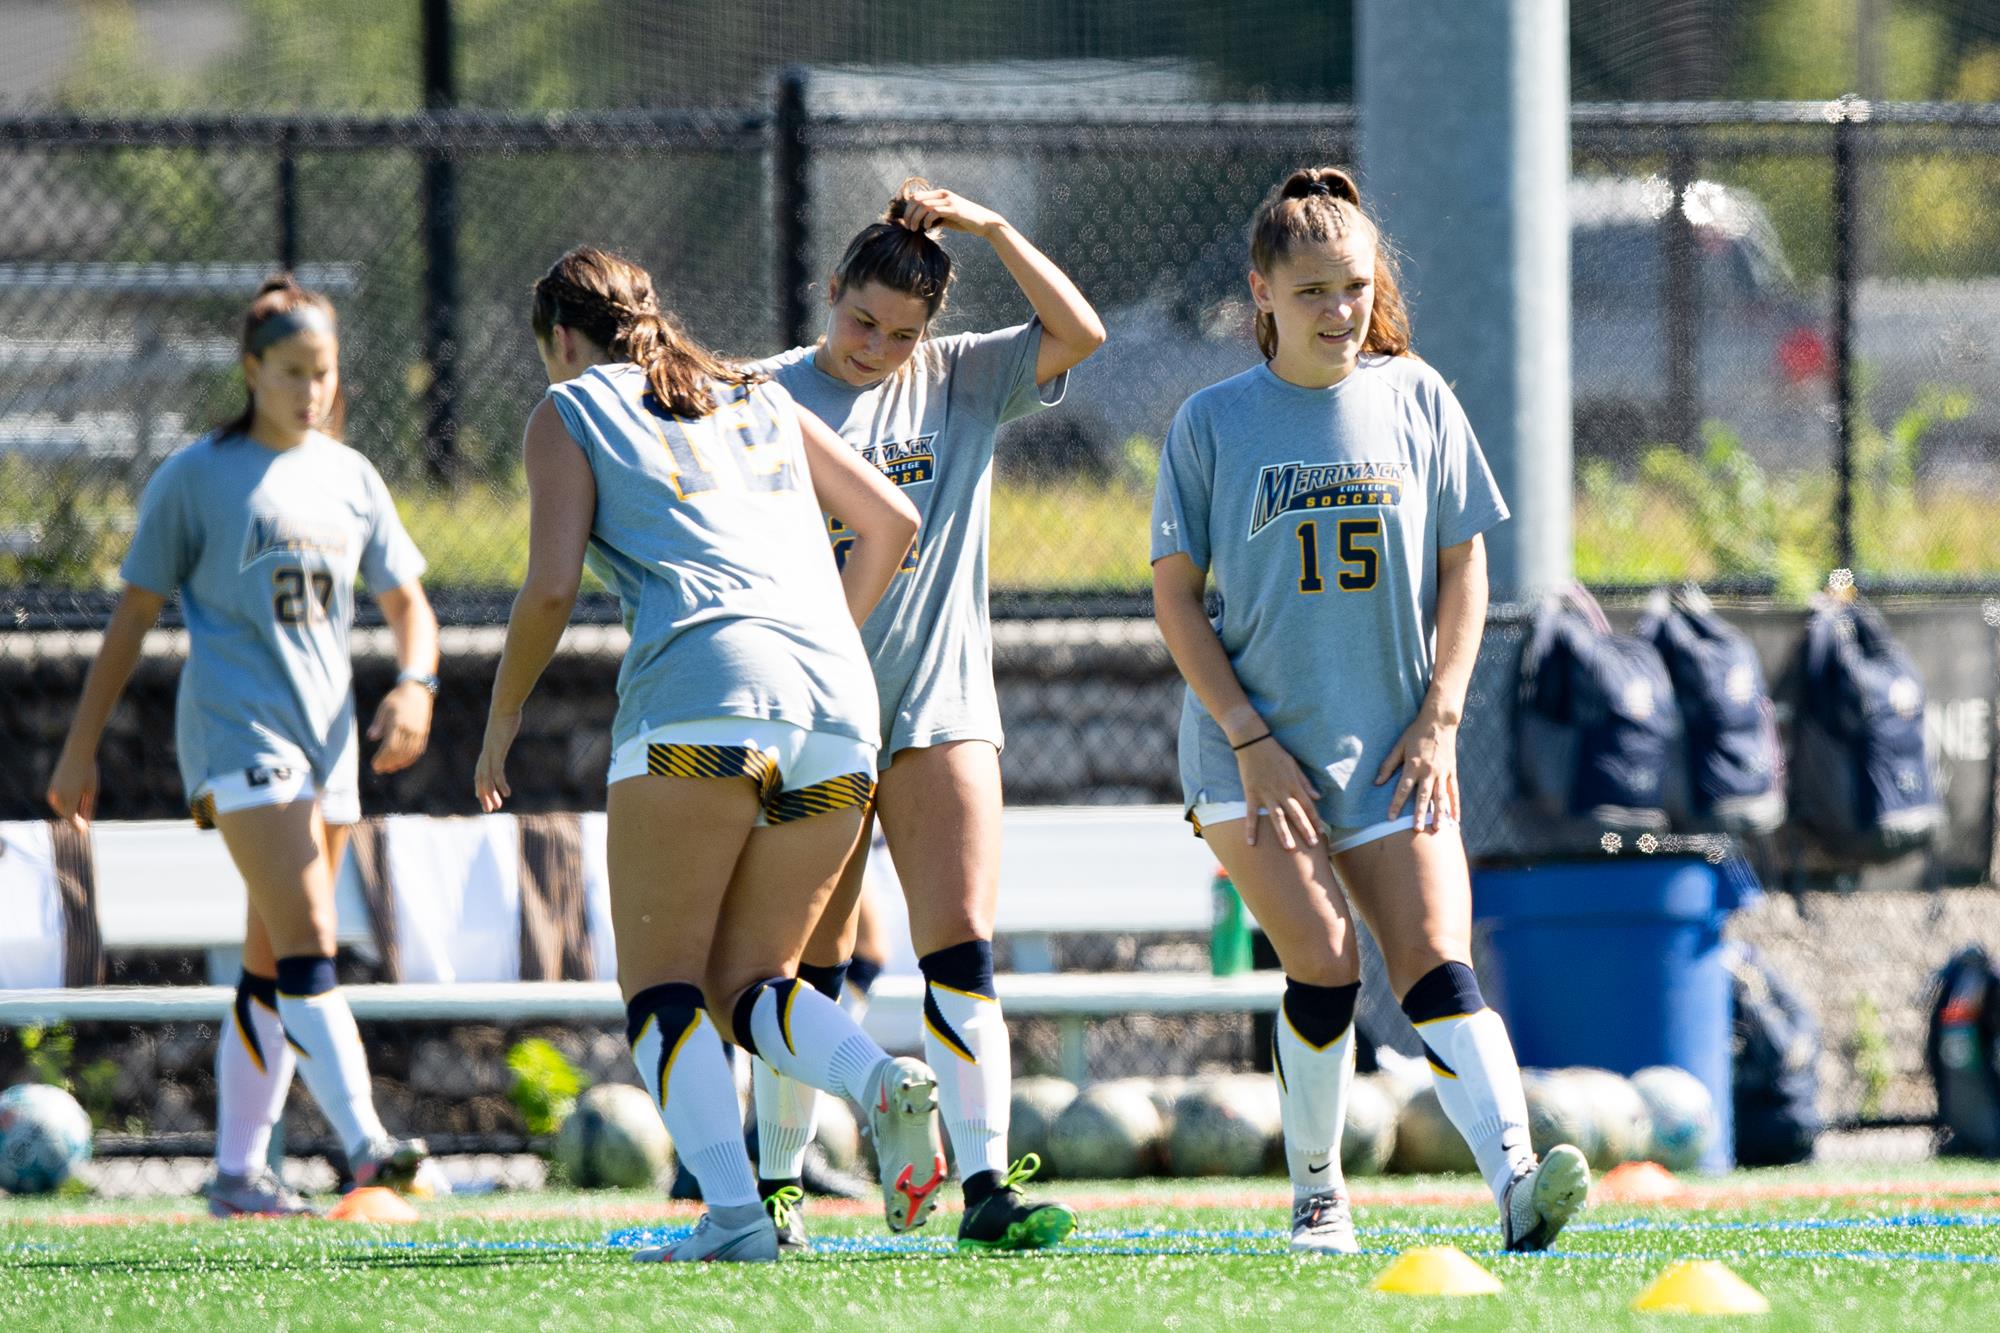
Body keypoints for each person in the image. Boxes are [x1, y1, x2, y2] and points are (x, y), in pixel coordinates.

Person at [1149, 167, 1590, 1255]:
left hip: (1394, 747)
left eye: (1352, 287)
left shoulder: (1417, 393)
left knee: (1436, 965)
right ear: (1259, 292)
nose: (1339, 310)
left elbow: (1464, 565)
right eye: (1310, 292)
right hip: (1248, 754)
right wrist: (1250, 743)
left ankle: (1517, 1189)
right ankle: (1315, 1193)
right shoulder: (1210, 422)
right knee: (1325, 962)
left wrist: (1439, 713)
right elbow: (1172, 599)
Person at [474, 247, 938, 1264]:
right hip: (836, 698)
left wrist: (501, 717)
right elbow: (889, 520)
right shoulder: (753, 392)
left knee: (663, 988)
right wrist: (814, 639)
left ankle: (734, 1217)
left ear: (560, 337)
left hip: (702, 695)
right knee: (752, 979)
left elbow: (549, 588)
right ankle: (878, 1080)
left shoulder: (567, 409)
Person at [749, 179, 1105, 1253]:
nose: (875, 345)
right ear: (829, 293)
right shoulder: (762, 396)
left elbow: (1078, 330)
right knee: (803, 965)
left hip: (941, 707)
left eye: (901, 333)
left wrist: (991, 227)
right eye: (860, 320)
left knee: (961, 947)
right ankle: (776, 1195)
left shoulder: (957, 378)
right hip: (813, 716)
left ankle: (985, 1186)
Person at [46, 275, 440, 1218]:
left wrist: (416, 684)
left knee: (270, 964)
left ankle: (237, 1175)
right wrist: (78, 748)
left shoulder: (350, 478)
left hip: (330, 743)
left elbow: (407, 605)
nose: (313, 389)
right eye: (294, 370)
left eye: (327, 371)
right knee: (309, 942)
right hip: (239, 732)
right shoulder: (196, 476)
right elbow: (132, 616)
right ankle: (368, 1144)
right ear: (251, 368)